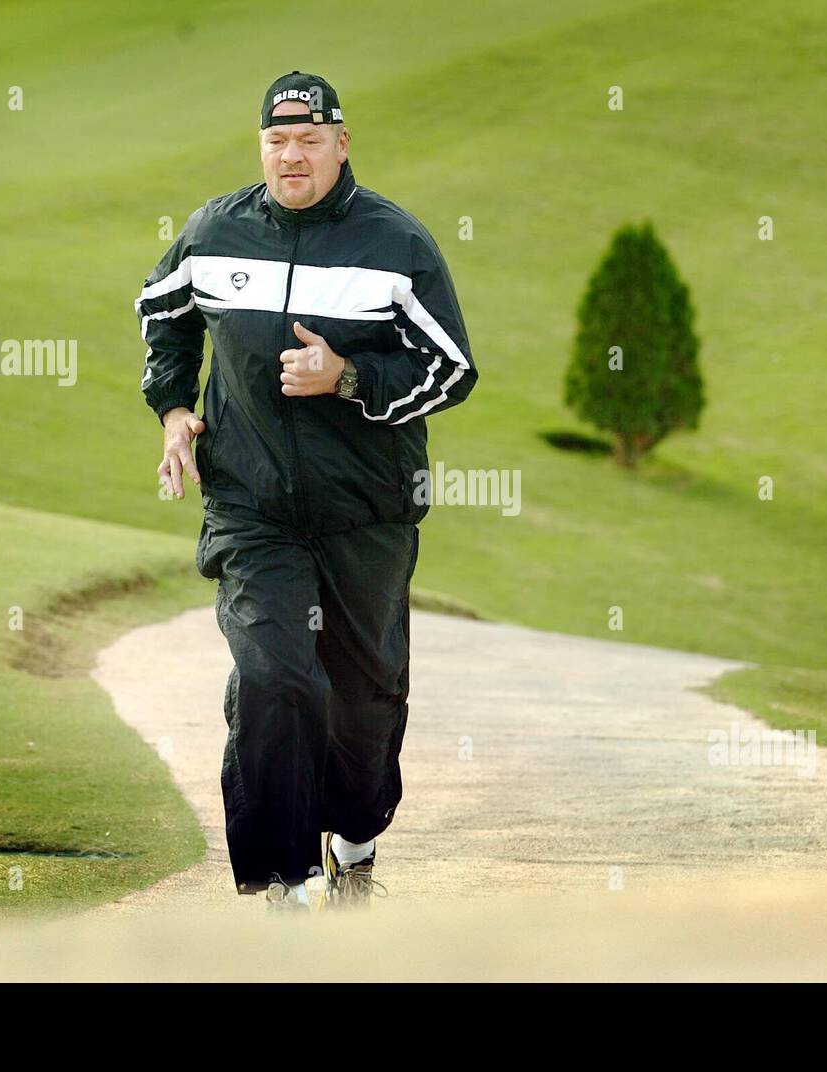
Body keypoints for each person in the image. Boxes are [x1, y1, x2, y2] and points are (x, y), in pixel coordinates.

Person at [133, 71, 478, 912]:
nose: (293, 156)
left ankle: (354, 848)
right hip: (253, 509)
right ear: (262, 148)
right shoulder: (215, 230)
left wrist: (347, 375)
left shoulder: (396, 243)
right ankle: (280, 886)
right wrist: (176, 410)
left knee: (363, 703)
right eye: (278, 142)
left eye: (310, 141)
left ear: (341, 144)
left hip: (366, 511)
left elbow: (451, 368)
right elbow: (164, 314)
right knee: (274, 680)